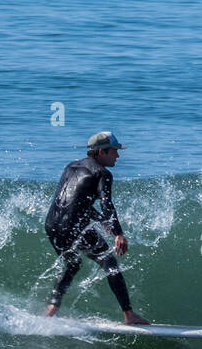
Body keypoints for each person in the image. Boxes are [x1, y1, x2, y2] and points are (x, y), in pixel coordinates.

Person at [43, 131, 150, 323]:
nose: (118, 155)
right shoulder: (102, 173)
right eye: (114, 151)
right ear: (101, 152)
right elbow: (106, 203)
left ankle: (51, 309)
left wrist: (102, 221)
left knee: (73, 263)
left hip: (52, 224)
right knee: (109, 261)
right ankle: (129, 315)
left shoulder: (71, 166)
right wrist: (118, 233)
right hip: (72, 226)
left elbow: (75, 201)